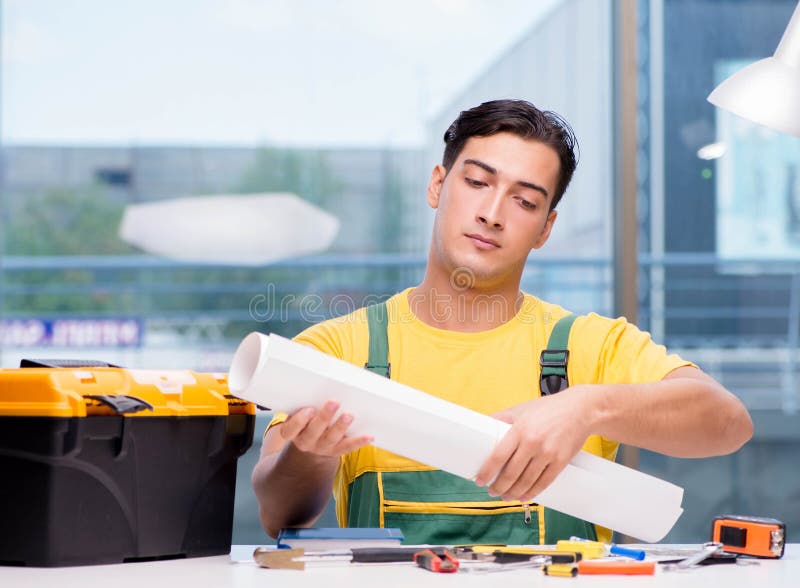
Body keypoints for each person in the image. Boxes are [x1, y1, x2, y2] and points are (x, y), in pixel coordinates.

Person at [251, 99, 753, 544]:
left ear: (545, 229)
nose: (492, 213)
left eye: (525, 201)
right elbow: (277, 515)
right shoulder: (339, 348)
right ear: (437, 185)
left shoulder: (588, 346)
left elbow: (728, 423)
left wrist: (588, 407)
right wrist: (310, 453)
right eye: (476, 182)